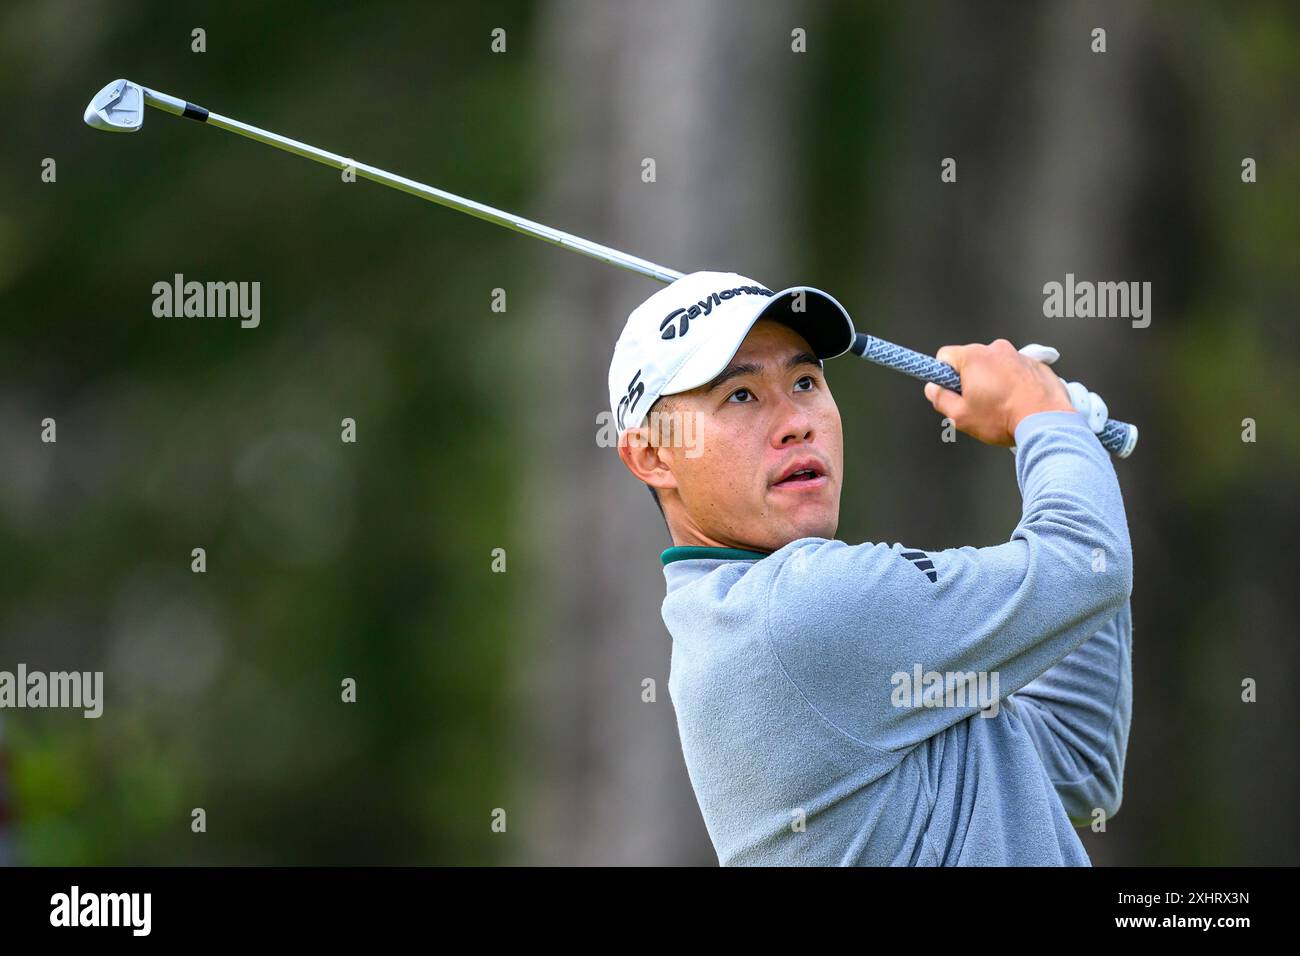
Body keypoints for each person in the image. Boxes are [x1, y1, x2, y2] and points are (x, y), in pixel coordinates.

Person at [608, 271, 1133, 865]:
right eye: (742, 396)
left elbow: (1075, 756)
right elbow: (1088, 568)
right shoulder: (797, 611)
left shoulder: (753, 629)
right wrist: (1047, 425)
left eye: (805, 380)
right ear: (652, 454)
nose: (796, 421)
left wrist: (1057, 440)